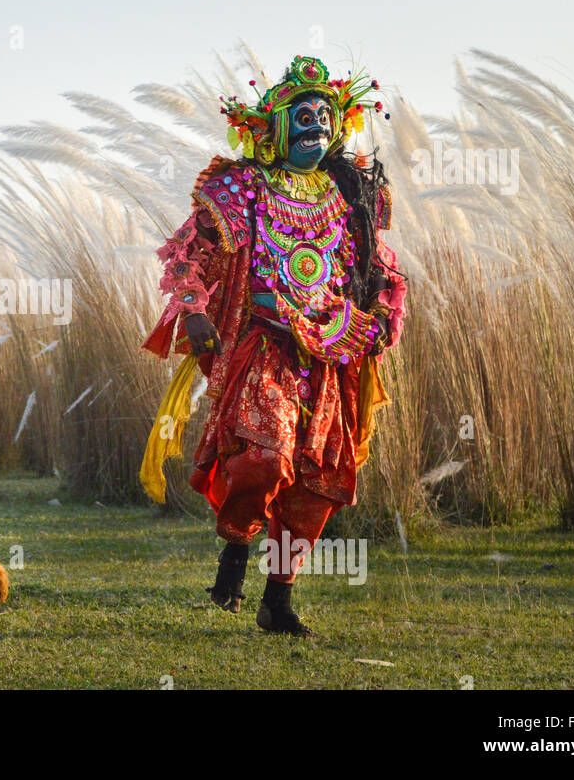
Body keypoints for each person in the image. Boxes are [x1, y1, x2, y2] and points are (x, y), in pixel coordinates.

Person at [142, 55, 407, 635]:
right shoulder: (243, 187)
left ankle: (278, 602)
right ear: (275, 127)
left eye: (323, 116)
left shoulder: (352, 192)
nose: (314, 125)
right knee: (266, 459)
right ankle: (236, 553)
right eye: (301, 116)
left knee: (316, 483)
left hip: (331, 353)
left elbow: (380, 267)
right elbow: (192, 249)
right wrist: (192, 311)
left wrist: (385, 311)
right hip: (264, 346)